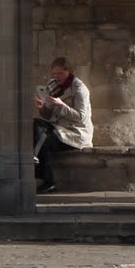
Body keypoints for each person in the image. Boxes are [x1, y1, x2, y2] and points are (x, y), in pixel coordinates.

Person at [33, 56, 92, 193]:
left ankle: (47, 180)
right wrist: (41, 107)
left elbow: (81, 117)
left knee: (44, 140)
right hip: (58, 129)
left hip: (75, 132)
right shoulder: (52, 86)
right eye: (54, 74)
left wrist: (61, 105)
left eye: (60, 73)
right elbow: (47, 115)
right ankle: (42, 173)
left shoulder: (79, 88)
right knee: (36, 125)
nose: (57, 77)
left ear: (69, 71)